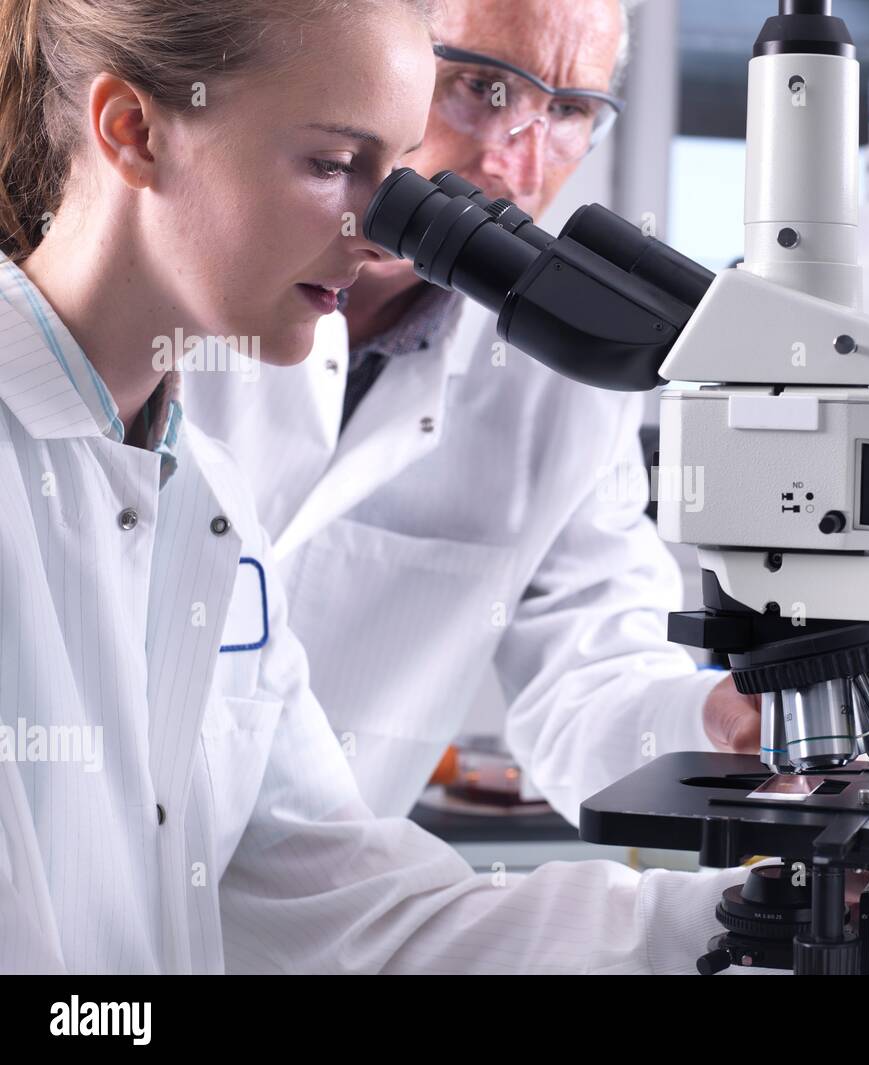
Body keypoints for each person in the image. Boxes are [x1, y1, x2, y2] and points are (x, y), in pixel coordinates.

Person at [0, 0, 739, 974]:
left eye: (571, 109)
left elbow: (345, 900)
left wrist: (735, 922)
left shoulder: (200, 492)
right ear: (134, 130)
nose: (381, 222)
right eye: (330, 163)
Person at [184, 0, 763, 823]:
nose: (515, 162)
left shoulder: (558, 378)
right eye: (480, 86)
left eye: (567, 111)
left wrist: (721, 719)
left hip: (324, 914)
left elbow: (590, 678)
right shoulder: (184, 294)